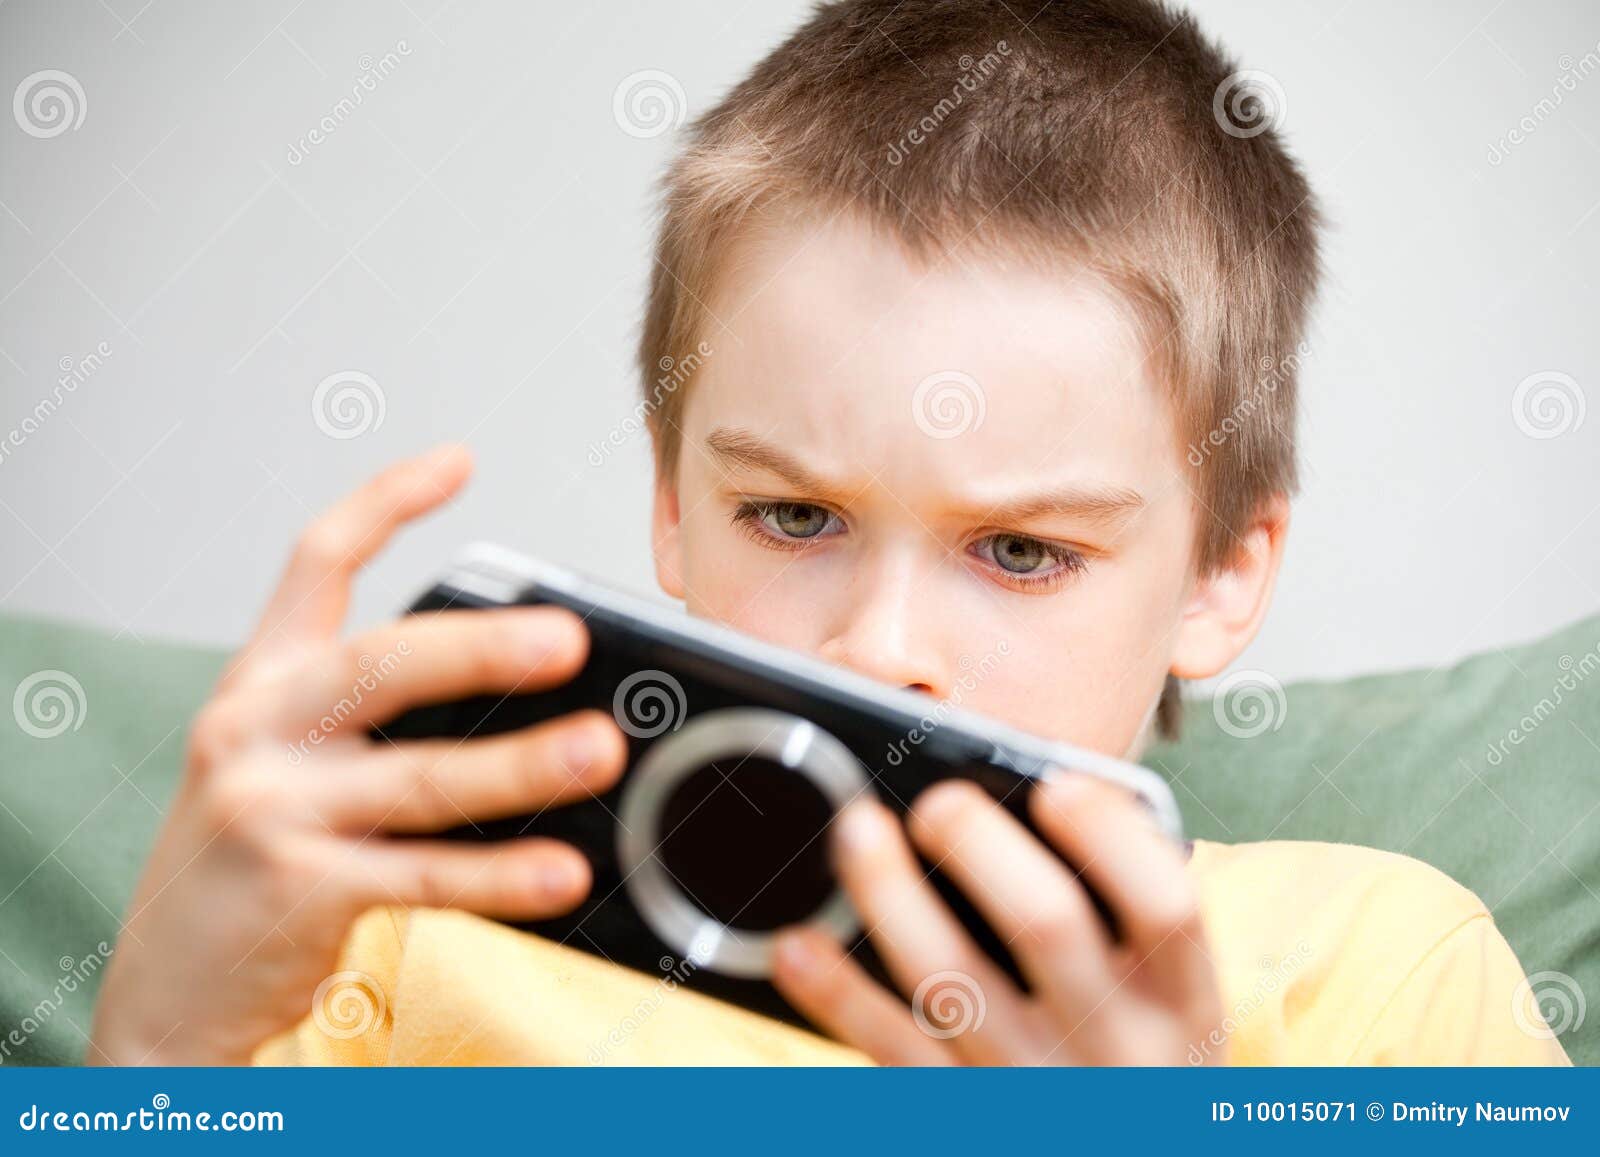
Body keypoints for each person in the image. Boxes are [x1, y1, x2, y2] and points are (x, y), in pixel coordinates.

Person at [89, 0, 1569, 1065]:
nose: (883, 647)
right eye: (794, 515)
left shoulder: (1374, 974)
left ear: (1225, 570)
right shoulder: (434, 923)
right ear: (673, 510)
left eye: (1022, 549)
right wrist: (160, 1037)